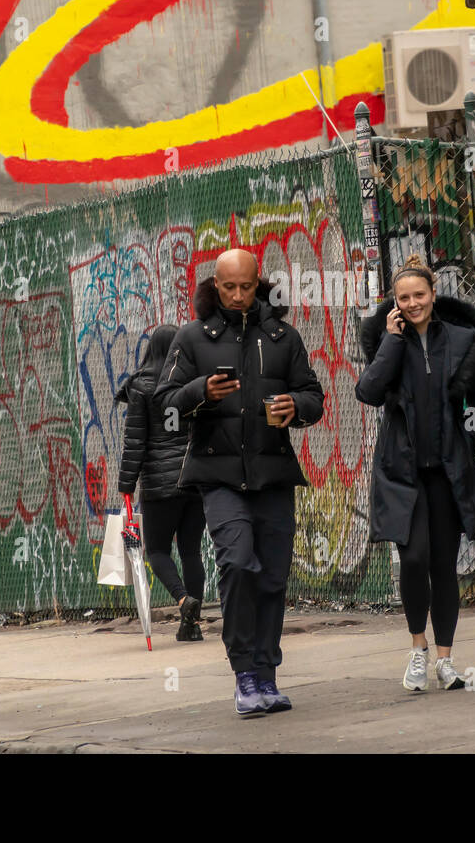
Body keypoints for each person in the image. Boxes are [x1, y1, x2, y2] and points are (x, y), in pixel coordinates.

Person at [155, 248, 325, 716]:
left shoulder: (282, 336)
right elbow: (165, 404)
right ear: (215, 283)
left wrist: (296, 405)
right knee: (237, 563)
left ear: (258, 283)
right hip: (219, 475)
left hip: (272, 475)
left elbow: (314, 396)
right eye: (227, 287)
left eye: (245, 287)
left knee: (272, 576)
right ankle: (244, 674)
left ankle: (268, 673)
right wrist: (201, 392)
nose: (236, 296)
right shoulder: (192, 338)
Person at [355, 254, 475, 692]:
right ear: (394, 303)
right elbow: (368, 392)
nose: (413, 303)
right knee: (413, 561)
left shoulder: (462, 338)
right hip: (402, 473)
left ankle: (445, 660)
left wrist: (469, 436)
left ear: (434, 295)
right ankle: (417, 650)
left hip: (447, 473)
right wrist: (392, 341)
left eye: (420, 295)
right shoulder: (388, 341)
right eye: (404, 298)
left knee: (443, 565)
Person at [116, 325, 206, 641]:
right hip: (195, 480)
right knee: (192, 551)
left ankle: (183, 600)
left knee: (156, 550)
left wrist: (126, 484)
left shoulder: (141, 387)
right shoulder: (194, 383)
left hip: (158, 485)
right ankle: (191, 627)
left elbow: (135, 443)